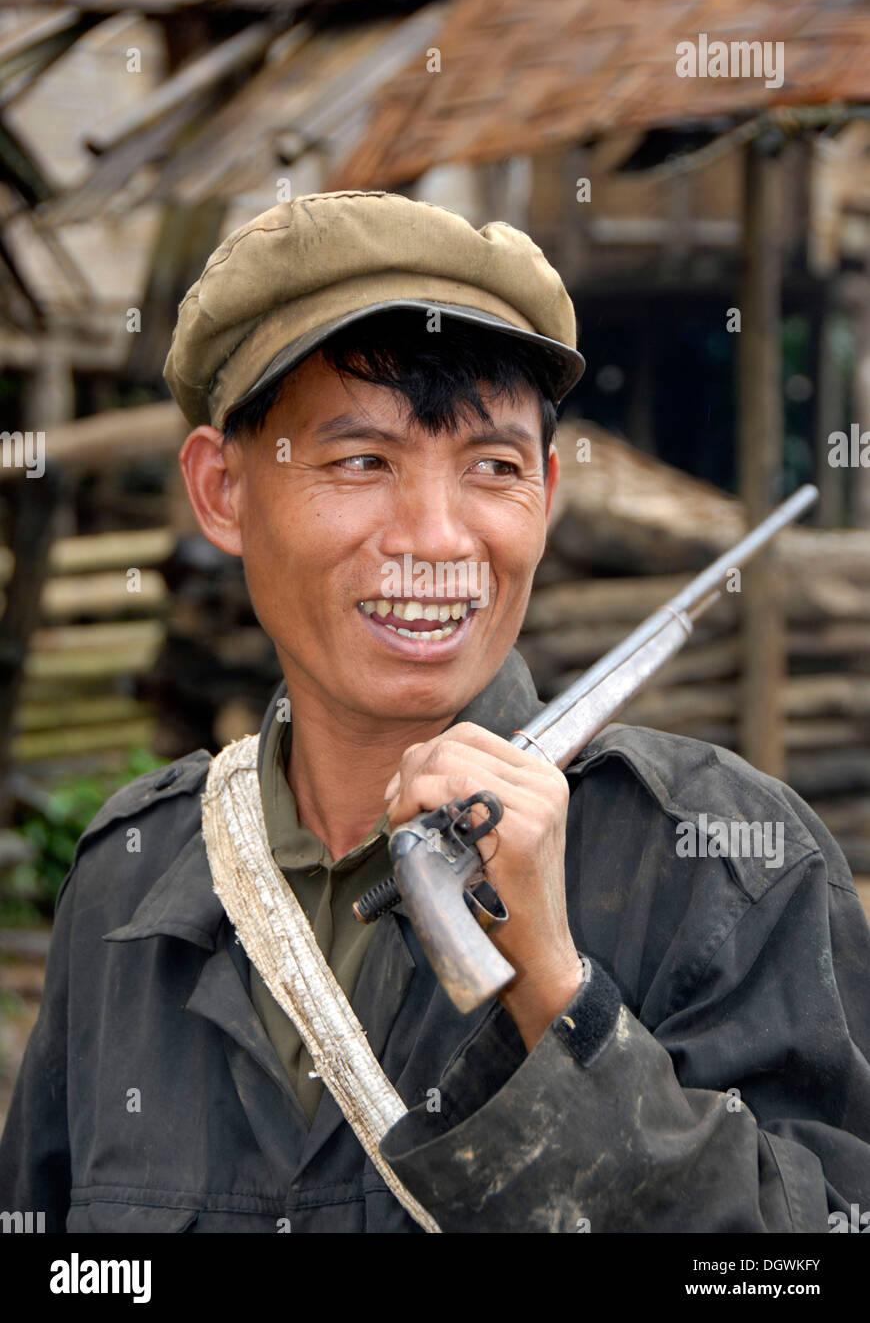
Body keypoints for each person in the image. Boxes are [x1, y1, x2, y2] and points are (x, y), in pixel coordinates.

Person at [1, 189, 868, 1233]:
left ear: (546, 493)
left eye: (491, 467)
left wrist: (557, 996)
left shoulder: (727, 867)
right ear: (223, 489)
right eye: (362, 461)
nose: (437, 538)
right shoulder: (127, 881)